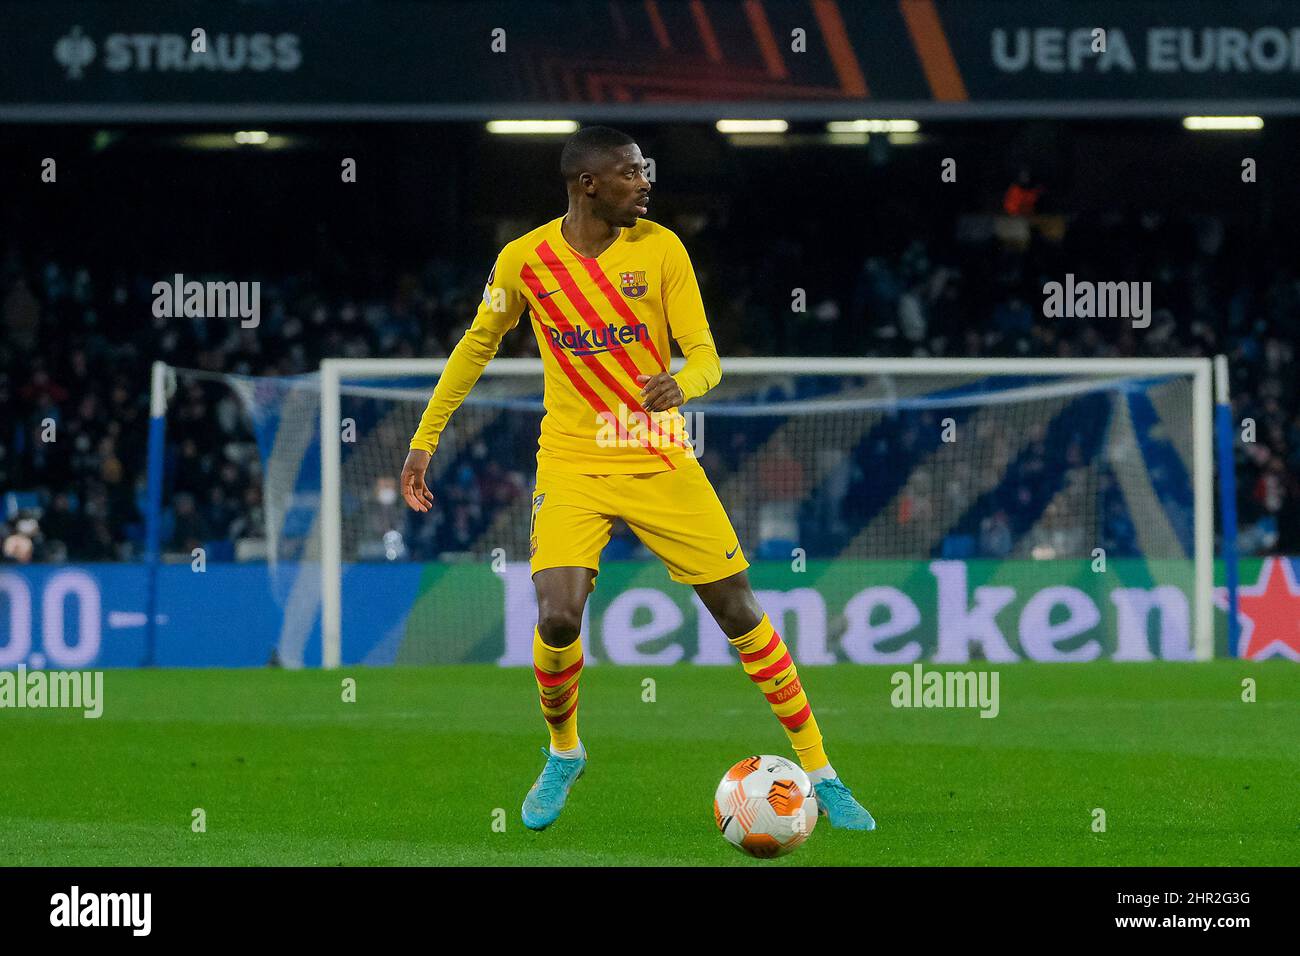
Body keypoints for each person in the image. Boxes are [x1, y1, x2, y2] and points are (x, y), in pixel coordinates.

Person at [399, 126, 875, 833]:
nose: (645, 182)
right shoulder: (525, 260)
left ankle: (822, 772)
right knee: (558, 615)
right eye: (629, 172)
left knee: (739, 611)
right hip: (573, 461)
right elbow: (476, 346)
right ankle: (564, 751)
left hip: (658, 456)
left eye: (644, 170)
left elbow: (707, 355)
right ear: (587, 183)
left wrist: (686, 383)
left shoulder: (661, 250)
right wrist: (424, 440)